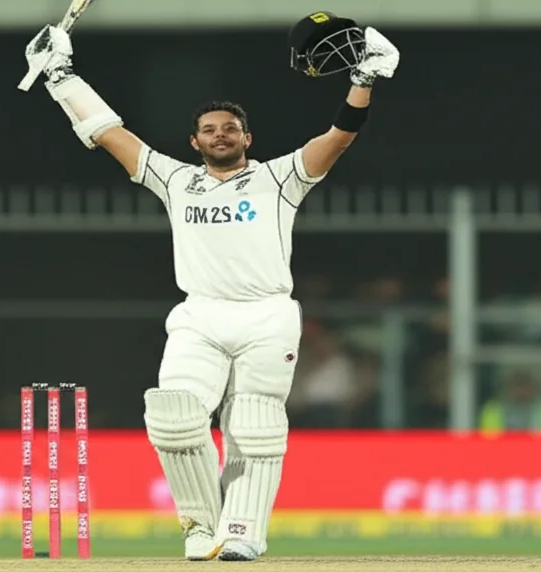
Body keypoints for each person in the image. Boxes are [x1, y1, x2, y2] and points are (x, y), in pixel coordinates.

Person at [21, 12, 399, 561]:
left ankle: (244, 531)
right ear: (194, 142)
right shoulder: (176, 180)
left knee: (254, 424)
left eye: (229, 128)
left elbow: (338, 138)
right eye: (209, 129)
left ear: (247, 137)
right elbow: (109, 134)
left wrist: (363, 81)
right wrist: (61, 78)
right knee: (173, 415)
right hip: (199, 315)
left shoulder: (279, 178)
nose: (219, 134)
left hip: (266, 314)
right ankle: (202, 527)